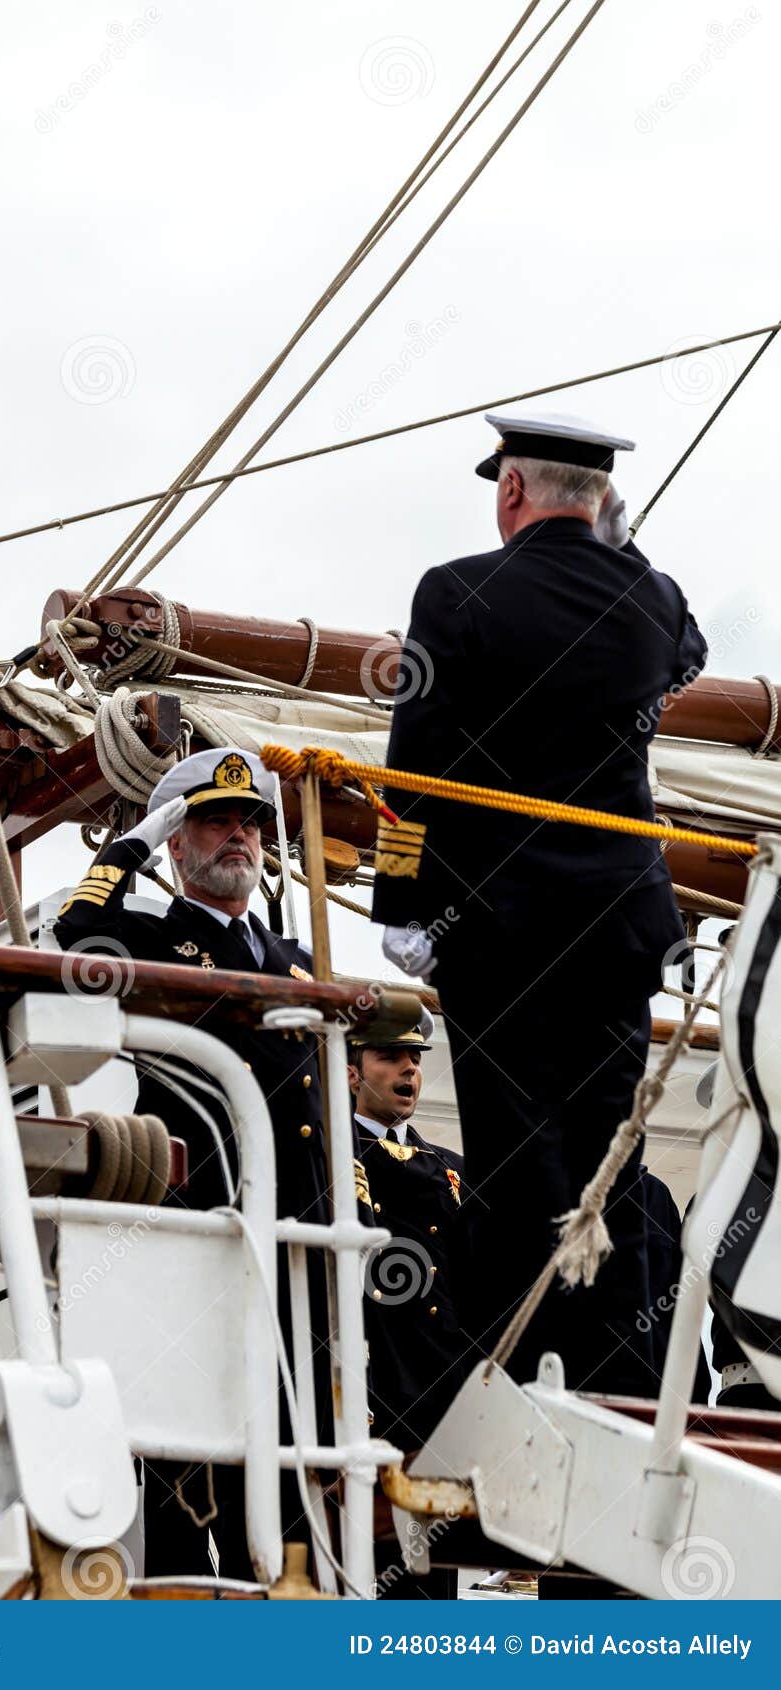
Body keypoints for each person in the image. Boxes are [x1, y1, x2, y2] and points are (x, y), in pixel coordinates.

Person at [372, 411, 707, 1397]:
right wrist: (621, 544)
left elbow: (416, 761)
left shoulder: (456, 592)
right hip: (618, 927)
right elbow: (687, 655)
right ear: (602, 503)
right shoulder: (653, 601)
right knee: (609, 1158)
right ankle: (615, 1382)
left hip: (498, 927)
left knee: (514, 1157)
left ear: (508, 492)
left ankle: (513, 1376)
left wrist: (399, 900)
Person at [54, 746, 331, 1579]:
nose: (238, 835)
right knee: (186, 1453)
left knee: (288, 1446)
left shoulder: (294, 961)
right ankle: (183, 1617)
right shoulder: (151, 936)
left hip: (297, 1233)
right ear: (179, 840)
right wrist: (133, 841)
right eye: (213, 819)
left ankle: (282, 1609)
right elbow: (75, 935)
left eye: (248, 822)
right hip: (195, 1233)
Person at [348, 1010, 472, 1601]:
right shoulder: (329, 1154)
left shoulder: (453, 1168)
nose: (409, 1070)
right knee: (359, 1555)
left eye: (416, 1060)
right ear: (352, 1073)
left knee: (431, 1573)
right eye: (390, 1058)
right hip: (371, 1383)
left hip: (440, 1388)